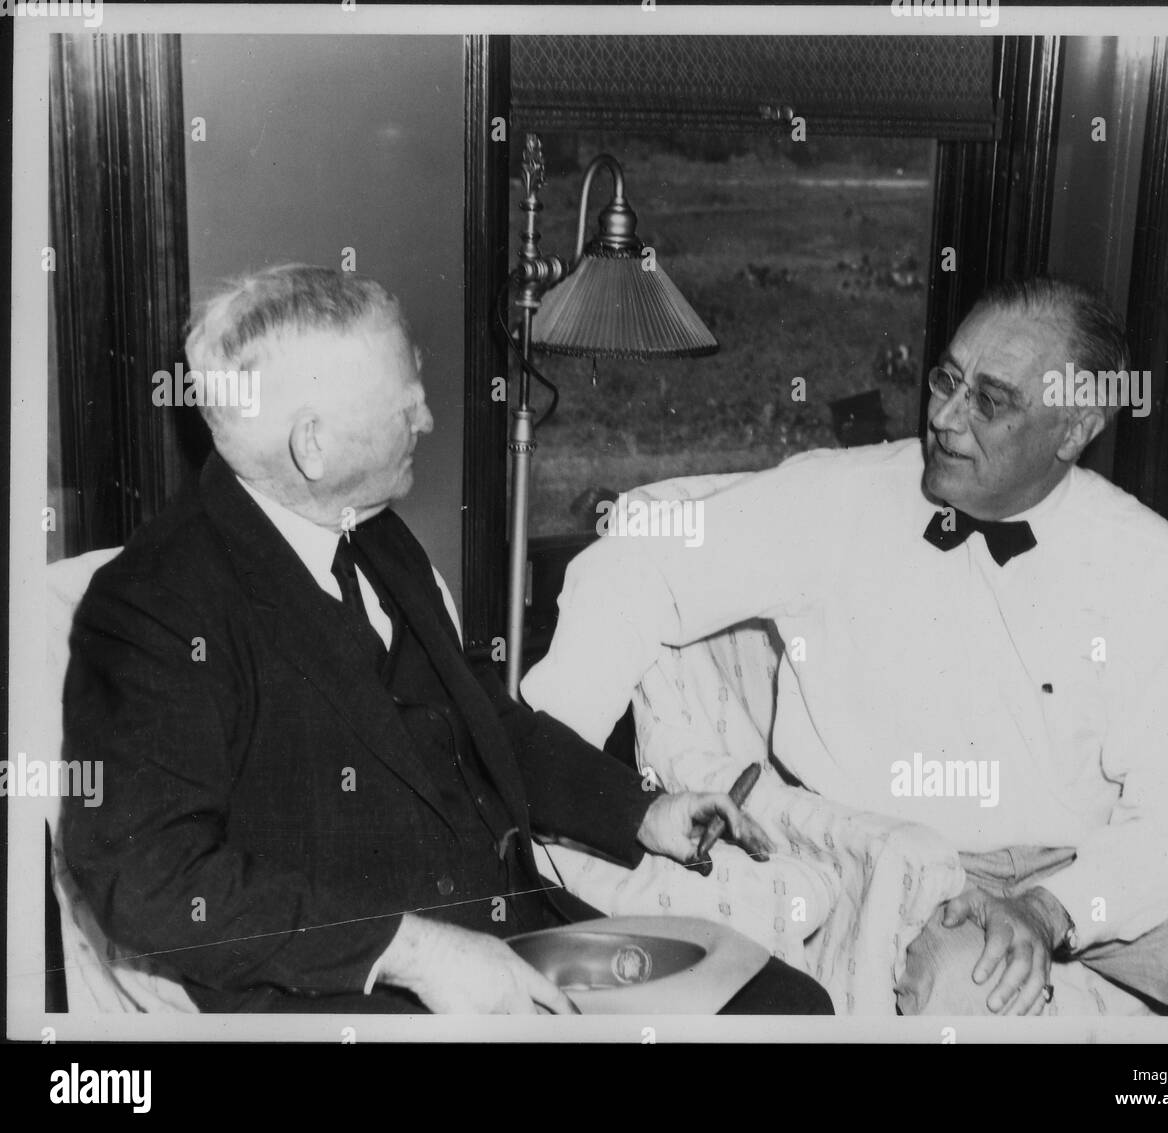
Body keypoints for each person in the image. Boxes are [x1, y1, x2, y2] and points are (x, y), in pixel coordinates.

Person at [61, 264, 832, 1016]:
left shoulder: (376, 535)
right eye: (406, 404)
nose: (427, 419)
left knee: (792, 1007)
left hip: (519, 935)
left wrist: (640, 811)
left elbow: (487, 722)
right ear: (313, 447)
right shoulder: (155, 607)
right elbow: (149, 878)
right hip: (358, 995)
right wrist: (413, 951)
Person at [523, 277, 1168, 1016]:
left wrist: (1055, 906)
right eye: (946, 378)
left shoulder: (1145, 560)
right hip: (915, 872)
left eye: (989, 400)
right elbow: (638, 559)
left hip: (1088, 860)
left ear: (1073, 431)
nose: (942, 416)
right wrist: (555, 775)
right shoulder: (838, 501)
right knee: (976, 991)